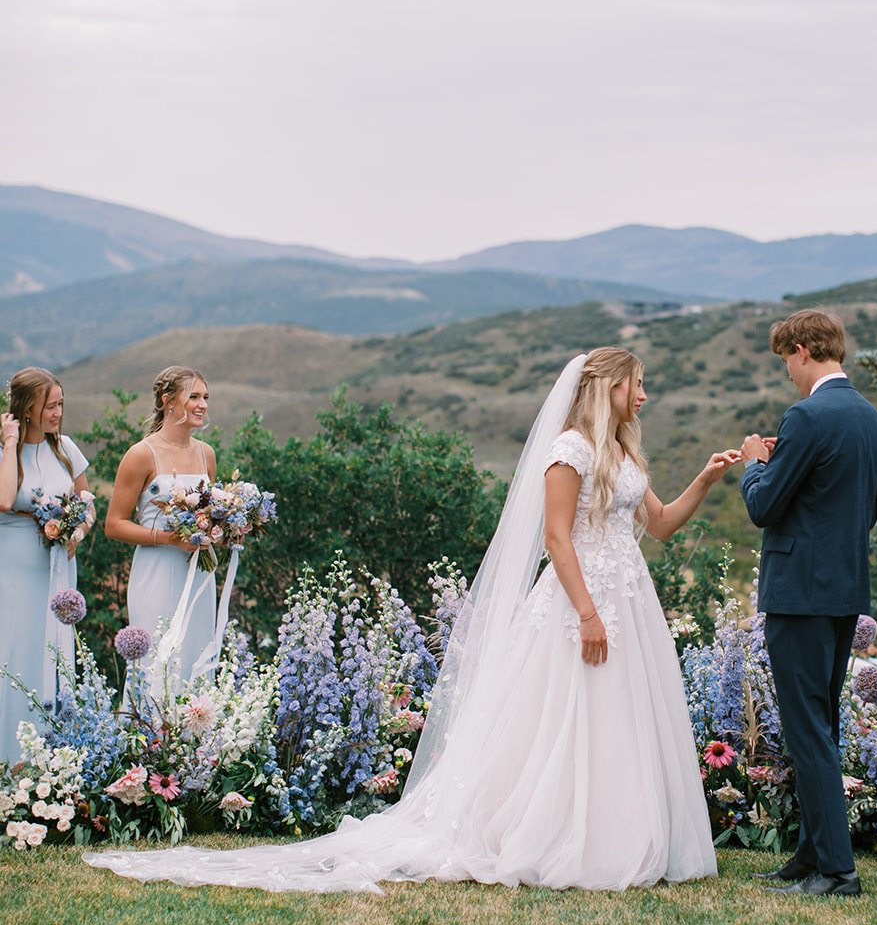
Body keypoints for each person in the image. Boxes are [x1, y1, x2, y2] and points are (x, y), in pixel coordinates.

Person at [85, 348, 739, 892]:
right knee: (559, 718)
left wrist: (705, 480)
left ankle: (619, 833)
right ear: (608, 389)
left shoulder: (622, 453)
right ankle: (549, 834)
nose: (646, 395)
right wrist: (588, 613)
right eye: (637, 384)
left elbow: (658, 524)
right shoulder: (570, 448)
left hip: (631, 599)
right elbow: (558, 539)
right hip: (580, 604)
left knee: (618, 717)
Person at [739, 310, 877, 898]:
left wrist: (757, 461)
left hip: (798, 593)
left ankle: (837, 870)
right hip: (842, 591)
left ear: (803, 350)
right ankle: (811, 853)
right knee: (821, 722)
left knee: (806, 728)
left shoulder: (805, 415)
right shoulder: (870, 419)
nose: (788, 376)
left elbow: (764, 506)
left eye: (786, 362)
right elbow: (862, 508)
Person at [0, 368, 95, 765]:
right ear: (26, 409)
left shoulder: (65, 448)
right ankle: (8, 758)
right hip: (12, 567)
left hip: (56, 568)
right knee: (13, 651)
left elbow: (86, 499)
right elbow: (6, 500)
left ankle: (52, 762)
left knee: (51, 654)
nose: (57, 413)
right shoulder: (4, 450)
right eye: (49, 406)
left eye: (60, 404)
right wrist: (9, 443)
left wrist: (80, 531)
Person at [105, 367, 217, 689]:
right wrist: (170, 538)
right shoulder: (142, 455)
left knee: (195, 657)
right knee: (156, 660)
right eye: (194, 396)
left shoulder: (206, 454)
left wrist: (221, 529)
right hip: (156, 570)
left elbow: (209, 512)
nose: (202, 404)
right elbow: (114, 524)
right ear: (169, 401)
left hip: (198, 573)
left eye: (205, 397)